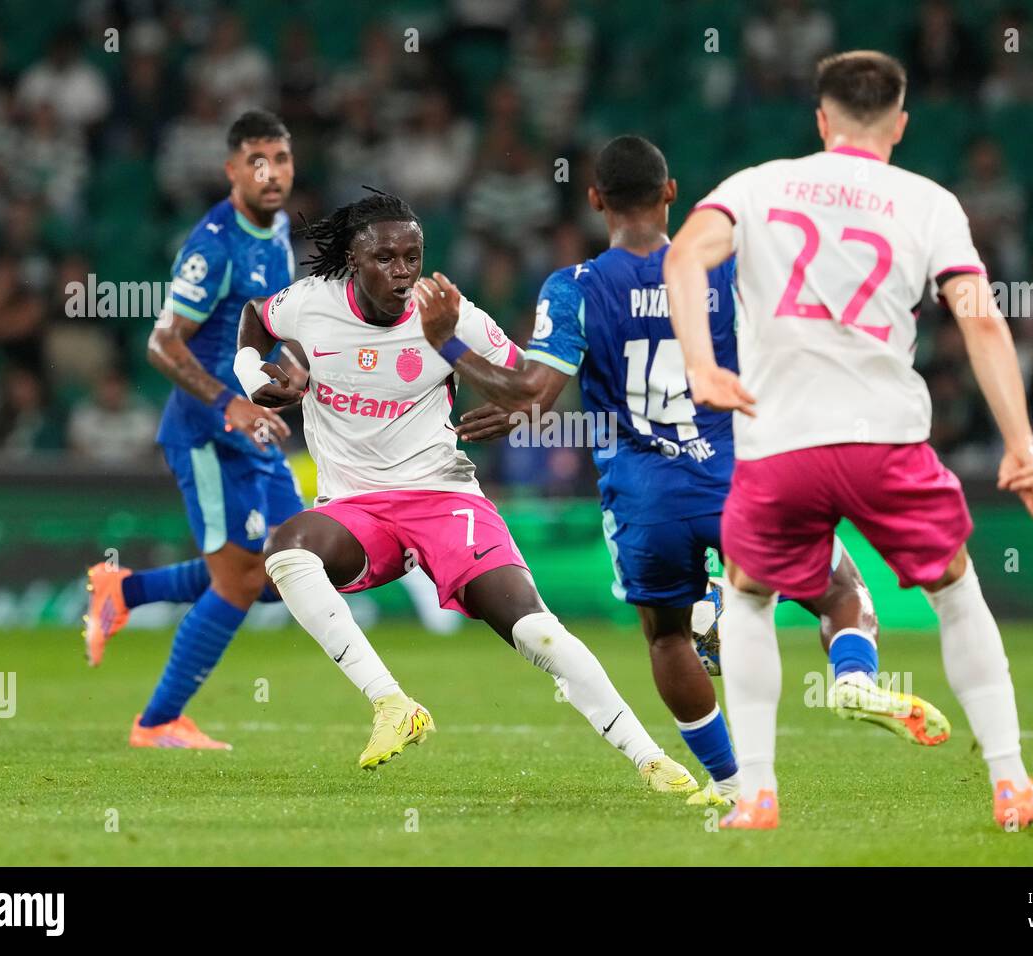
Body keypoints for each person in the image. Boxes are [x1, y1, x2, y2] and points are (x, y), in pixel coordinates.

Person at [454, 135, 950, 807]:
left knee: (666, 637)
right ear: (671, 194)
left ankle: (732, 782)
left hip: (641, 496)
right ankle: (852, 675)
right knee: (838, 593)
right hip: (736, 477)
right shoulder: (728, 270)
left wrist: (444, 339)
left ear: (595, 199)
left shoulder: (575, 286)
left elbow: (533, 392)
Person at [664, 50, 1033, 830]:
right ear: (901, 123)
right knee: (956, 593)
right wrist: (1020, 444)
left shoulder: (755, 184)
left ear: (821, 118)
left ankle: (756, 795)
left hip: (779, 445)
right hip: (887, 441)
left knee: (746, 602)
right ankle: (1012, 786)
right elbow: (979, 316)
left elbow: (682, 257)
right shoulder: (930, 201)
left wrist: (704, 368)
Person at [234, 189, 696, 789]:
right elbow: (253, 316)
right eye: (386, 258)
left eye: (412, 256)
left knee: (535, 630)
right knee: (287, 550)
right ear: (352, 260)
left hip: (443, 499)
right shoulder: (310, 304)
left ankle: (651, 759)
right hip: (354, 509)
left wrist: (519, 412)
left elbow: (529, 383)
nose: (403, 272)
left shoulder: (451, 316)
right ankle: (393, 704)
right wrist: (251, 376)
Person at [83, 110, 306, 749]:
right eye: (256, 160)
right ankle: (156, 722)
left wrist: (281, 380)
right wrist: (228, 403)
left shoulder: (278, 230)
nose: (271, 172)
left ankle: (124, 589)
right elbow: (161, 343)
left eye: (282, 158)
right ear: (231, 170)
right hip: (207, 434)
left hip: (252, 430)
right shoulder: (214, 244)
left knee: (289, 568)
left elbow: (259, 328)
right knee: (240, 580)